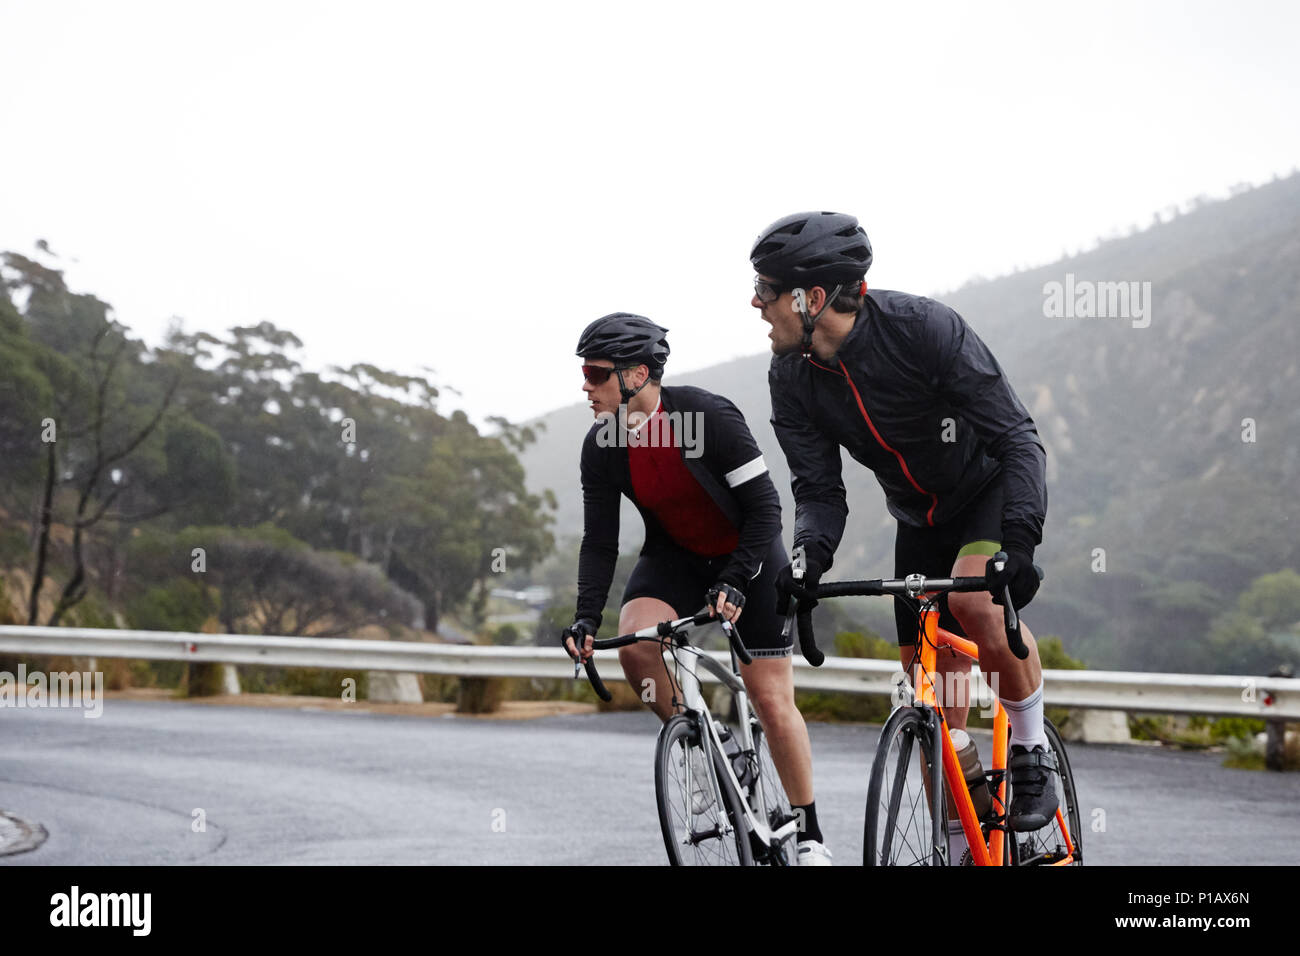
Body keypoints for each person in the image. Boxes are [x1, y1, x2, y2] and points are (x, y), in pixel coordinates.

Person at [751, 211, 1058, 856]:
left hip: (985, 494)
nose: (755, 302)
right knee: (933, 707)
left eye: (766, 288)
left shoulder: (923, 330)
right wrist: (811, 556)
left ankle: (1031, 751)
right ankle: (959, 832)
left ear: (810, 299)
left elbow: (1016, 437)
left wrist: (1020, 544)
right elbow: (819, 490)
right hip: (918, 520)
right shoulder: (790, 377)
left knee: (974, 602)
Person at [561, 312, 832, 864]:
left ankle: (809, 835)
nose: (585, 386)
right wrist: (586, 616)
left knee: (770, 698)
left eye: (595, 373)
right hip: (676, 558)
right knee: (637, 646)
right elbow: (600, 543)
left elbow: (765, 510)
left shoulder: (706, 415)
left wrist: (735, 577)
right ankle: (711, 744)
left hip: (748, 555)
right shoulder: (602, 445)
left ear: (636, 374)